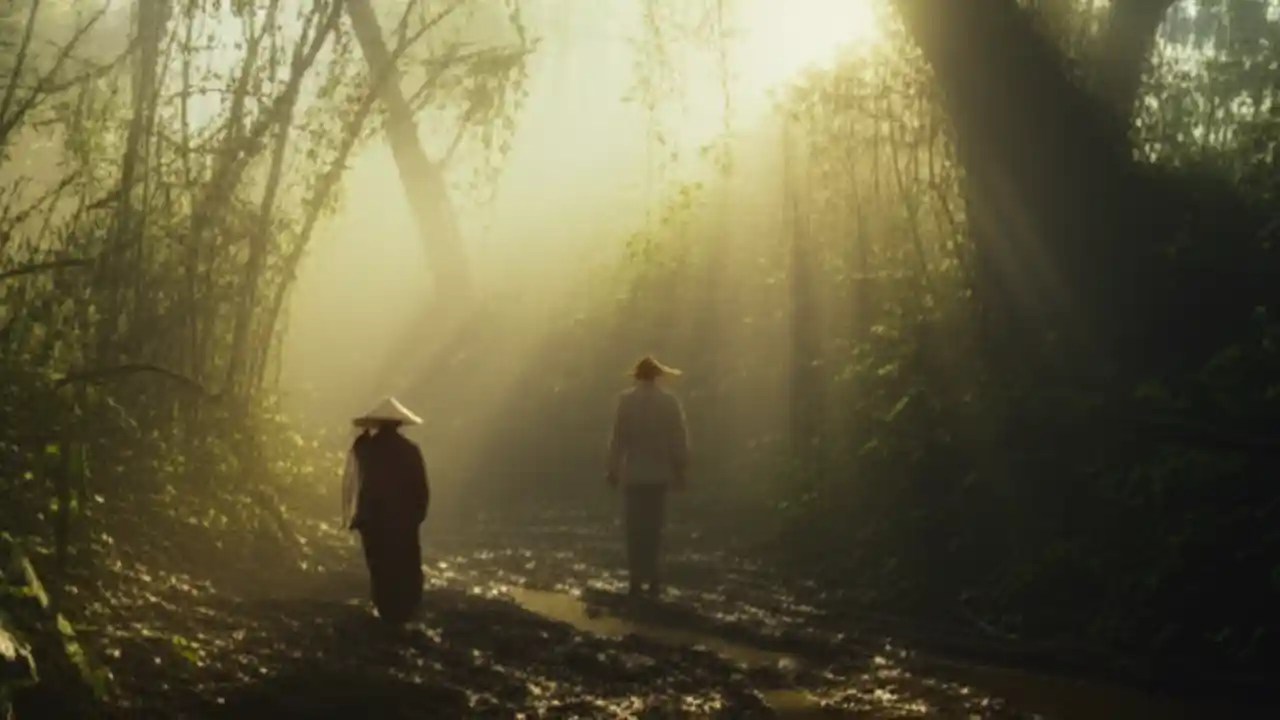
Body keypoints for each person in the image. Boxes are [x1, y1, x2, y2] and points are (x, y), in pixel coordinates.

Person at [606, 356, 690, 598]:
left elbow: (618, 439)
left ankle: (635, 579)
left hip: (634, 474)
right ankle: (653, 578)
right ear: (657, 376)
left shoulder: (626, 401)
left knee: (634, 528)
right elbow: (678, 438)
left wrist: (613, 469)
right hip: (658, 474)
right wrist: (680, 469)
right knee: (654, 527)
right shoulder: (669, 402)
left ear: (636, 376)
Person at [341, 397, 429, 623]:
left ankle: (385, 607)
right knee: (404, 563)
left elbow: (360, 482)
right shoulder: (410, 450)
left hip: (374, 517)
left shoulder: (367, 449)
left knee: (380, 564)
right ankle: (404, 609)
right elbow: (420, 488)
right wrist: (416, 516)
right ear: (399, 425)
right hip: (402, 518)